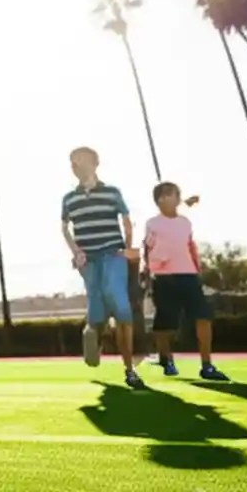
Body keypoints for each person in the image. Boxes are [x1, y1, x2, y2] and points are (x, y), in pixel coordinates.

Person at [61, 146, 146, 390]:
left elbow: (126, 221)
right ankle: (95, 332)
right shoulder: (69, 198)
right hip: (88, 260)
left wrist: (127, 248)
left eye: (80, 161)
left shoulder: (112, 192)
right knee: (96, 307)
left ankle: (129, 369)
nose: (75, 166)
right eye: (72, 163)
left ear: (95, 163)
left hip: (113, 254)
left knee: (117, 300)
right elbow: (64, 228)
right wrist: (75, 252)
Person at [144, 182, 230, 381]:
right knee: (165, 324)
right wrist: (148, 271)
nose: (177, 199)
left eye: (177, 195)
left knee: (203, 317)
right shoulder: (152, 223)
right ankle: (167, 360)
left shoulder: (185, 222)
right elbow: (147, 248)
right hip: (164, 278)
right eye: (174, 195)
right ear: (162, 199)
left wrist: (197, 268)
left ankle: (207, 366)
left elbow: (190, 245)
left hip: (189, 276)